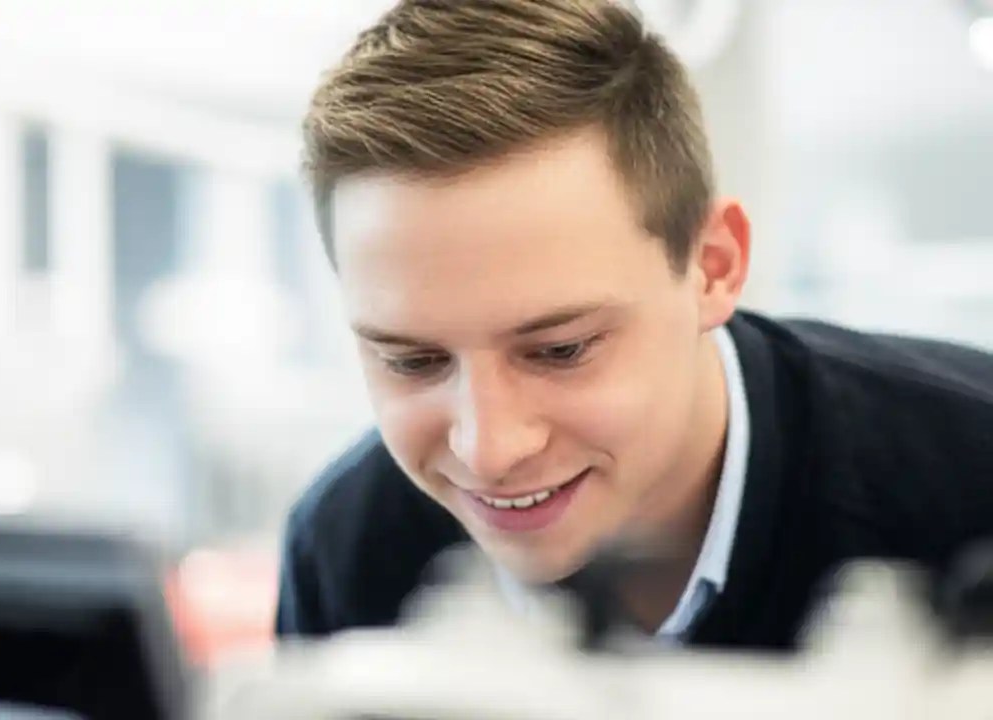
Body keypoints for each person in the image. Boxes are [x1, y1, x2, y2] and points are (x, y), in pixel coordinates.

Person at [274, 0, 993, 649]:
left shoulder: (970, 477)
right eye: (413, 362)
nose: (489, 450)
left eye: (561, 349)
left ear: (713, 266)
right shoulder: (346, 552)